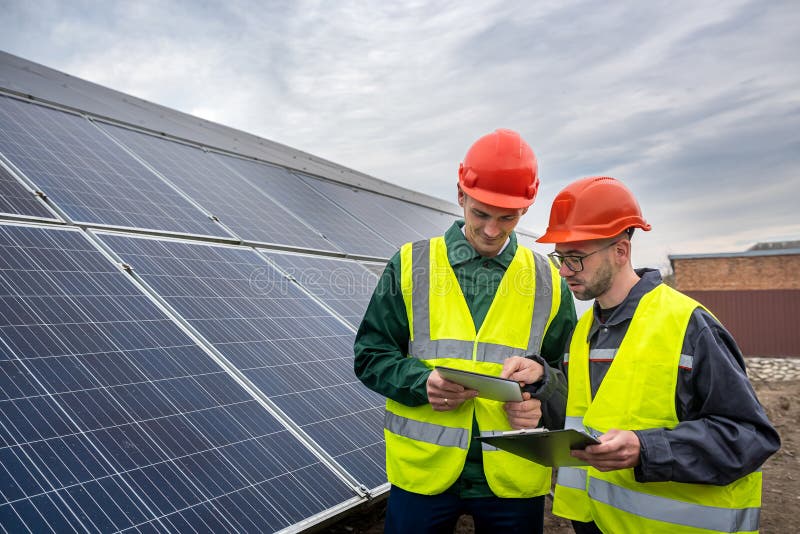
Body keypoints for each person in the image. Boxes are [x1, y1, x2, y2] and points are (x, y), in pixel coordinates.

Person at [354, 129, 577, 533]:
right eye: (481, 214)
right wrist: (421, 382)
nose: (492, 230)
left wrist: (543, 397)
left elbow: (572, 377)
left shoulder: (549, 279)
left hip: (515, 472)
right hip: (424, 473)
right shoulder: (410, 264)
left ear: (525, 208)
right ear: (461, 195)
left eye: (507, 217)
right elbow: (371, 356)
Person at [535, 176, 781, 533]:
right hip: (594, 522)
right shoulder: (583, 331)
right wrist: (541, 382)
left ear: (621, 251)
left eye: (576, 258)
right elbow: (581, 420)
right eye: (560, 257)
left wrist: (645, 448)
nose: (563, 270)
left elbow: (750, 436)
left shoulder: (689, 327)